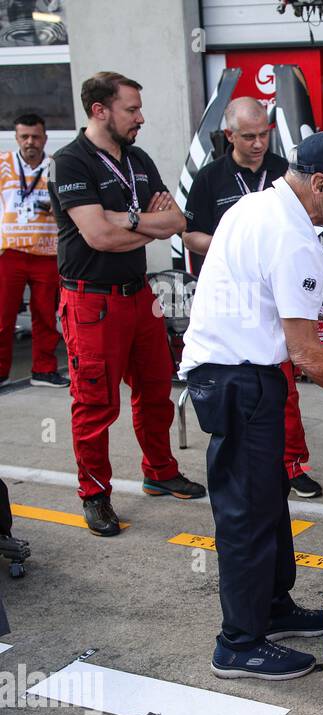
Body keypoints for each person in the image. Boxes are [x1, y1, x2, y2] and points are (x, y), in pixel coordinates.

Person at [180, 130, 323, 680]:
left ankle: (271, 608)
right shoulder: (295, 239)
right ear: (319, 183)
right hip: (240, 379)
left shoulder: (255, 204)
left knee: (266, 501)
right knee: (246, 513)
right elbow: (309, 355)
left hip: (235, 374)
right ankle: (238, 643)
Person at [50, 71, 205, 536]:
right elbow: (96, 236)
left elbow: (175, 220)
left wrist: (127, 218)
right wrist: (145, 220)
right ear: (100, 110)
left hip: (140, 296)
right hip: (91, 304)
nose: (141, 118)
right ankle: (94, 494)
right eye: (131, 109)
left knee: (156, 389)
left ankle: (159, 471)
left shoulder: (137, 158)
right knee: (95, 404)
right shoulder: (72, 161)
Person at [181, 97, 323, 499]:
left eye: (265, 134)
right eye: (249, 136)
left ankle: (294, 465)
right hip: (235, 296)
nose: (259, 143)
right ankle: (260, 473)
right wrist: (237, 246)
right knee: (254, 388)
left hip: (279, 287)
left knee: (286, 384)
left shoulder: (284, 172)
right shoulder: (210, 178)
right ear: (229, 136)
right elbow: (189, 235)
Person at [0, 111, 66, 389]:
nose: (30, 142)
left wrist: (56, 207)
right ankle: (1, 372)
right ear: (16, 138)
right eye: (24, 136)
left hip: (47, 252)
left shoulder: (56, 166)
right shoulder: (3, 164)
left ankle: (43, 369)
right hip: (11, 252)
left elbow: (70, 204)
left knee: (44, 316)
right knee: (3, 317)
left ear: (45, 138)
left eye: (35, 137)